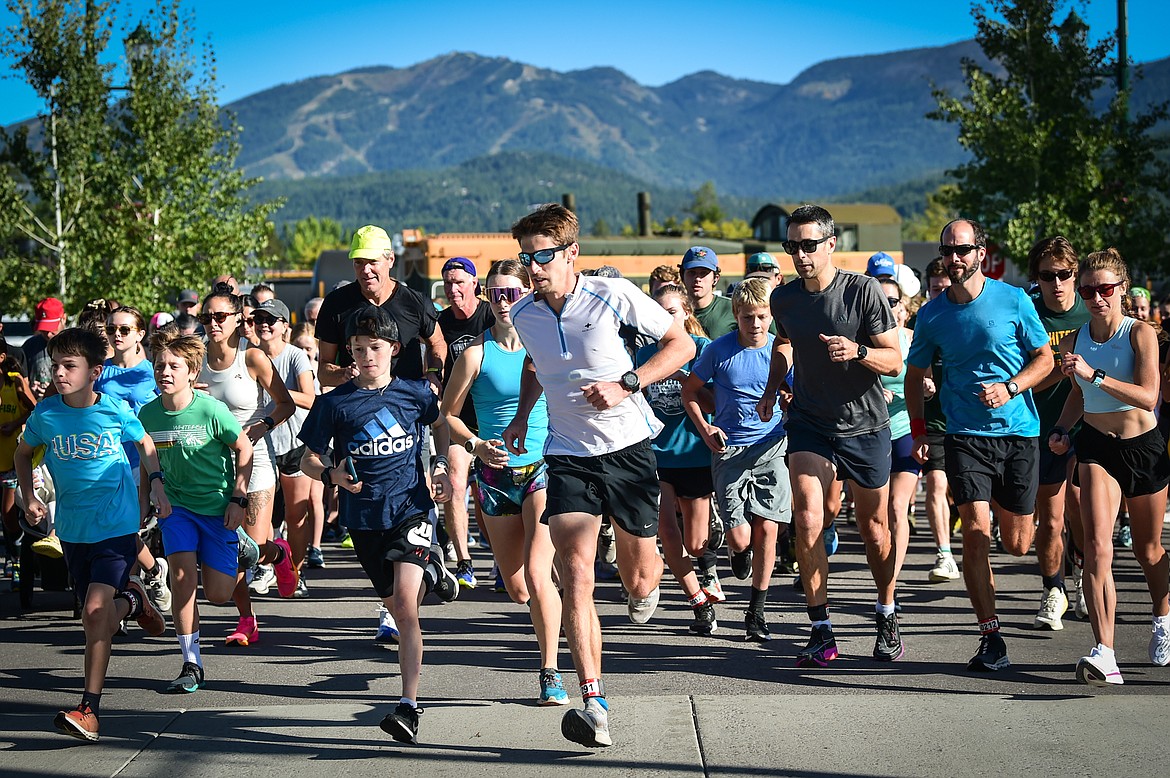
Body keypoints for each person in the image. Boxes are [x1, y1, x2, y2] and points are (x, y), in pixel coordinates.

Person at [503, 203, 694, 748]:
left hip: (629, 449)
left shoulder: (613, 295)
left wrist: (627, 383)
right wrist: (521, 416)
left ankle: (644, 585)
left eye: (542, 256)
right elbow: (535, 365)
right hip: (567, 455)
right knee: (576, 571)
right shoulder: (524, 315)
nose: (533, 267)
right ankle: (595, 702)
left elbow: (681, 344)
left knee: (639, 577)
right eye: (526, 257)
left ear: (570, 254)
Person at [299, 304, 457, 744]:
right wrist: (330, 474)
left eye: (375, 348)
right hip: (363, 519)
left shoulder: (414, 393)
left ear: (393, 349)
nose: (367, 356)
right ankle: (434, 570)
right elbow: (307, 459)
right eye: (358, 348)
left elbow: (440, 426)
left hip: (411, 509)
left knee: (404, 608)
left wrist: (441, 466)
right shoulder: (334, 403)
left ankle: (408, 705)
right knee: (393, 598)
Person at [906, 218, 1052, 672]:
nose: (955, 259)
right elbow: (915, 375)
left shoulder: (1012, 300)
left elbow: (1044, 358)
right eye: (948, 251)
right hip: (964, 435)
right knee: (974, 531)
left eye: (963, 250)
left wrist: (1011, 388)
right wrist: (917, 430)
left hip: (1019, 432)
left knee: (1017, 544)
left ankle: (1052, 559)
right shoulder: (931, 314)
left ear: (980, 253)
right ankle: (991, 637)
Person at [762, 204, 904, 667]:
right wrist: (771, 387)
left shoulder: (862, 291)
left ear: (830, 245)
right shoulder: (783, 299)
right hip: (810, 421)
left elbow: (893, 361)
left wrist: (857, 350)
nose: (800, 255)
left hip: (865, 424)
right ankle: (820, 627)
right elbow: (784, 341)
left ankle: (885, 609)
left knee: (875, 531)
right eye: (791, 246)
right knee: (807, 519)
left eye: (808, 245)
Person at [14, 327, 169, 742]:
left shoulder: (114, 410)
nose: (59, 373)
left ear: (94, 371)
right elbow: (22, 452)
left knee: (95, 613)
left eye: (70, 366)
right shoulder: (46, 415)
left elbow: (146, 444)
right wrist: (29, 496)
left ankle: (89, 708)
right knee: (97, 614)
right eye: (56, 365)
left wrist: (154, 484)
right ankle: (134, 600)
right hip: (72, 531)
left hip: (116, 527)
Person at [441, 258, 569, 704]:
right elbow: (448, 416)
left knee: (536, 576)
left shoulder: (547, 346)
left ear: (526, 294)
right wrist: (475, 445)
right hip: (494, 477)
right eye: (494, 294)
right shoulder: (474, 353)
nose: (502, 302)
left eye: (510, 293)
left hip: (543, 468)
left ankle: (550, 670)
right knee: (518, 589)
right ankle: (556, 596)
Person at [1048, 248, 1170, 685]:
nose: (1096, 298)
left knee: (1148, 550)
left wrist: (1094, 374)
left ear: (1120, 289)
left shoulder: (1140, 334)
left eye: (1105, 289)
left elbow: (1147, 396)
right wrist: (1062, 430)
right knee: (1098, 545)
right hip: (1097, 447)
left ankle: (1162, 615)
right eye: (1088, 290)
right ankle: (1105, 652)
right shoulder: (1077, 338)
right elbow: (1077, 396)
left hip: (1143, 447)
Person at [139, 327, 257, 694]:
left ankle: (246, 548)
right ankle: (192, 663)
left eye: (174, 366)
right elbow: (148, 460)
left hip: (219, 508)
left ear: (192, 372)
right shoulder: (148, 414)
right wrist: (148, 501)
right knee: (182, 581)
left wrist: (239, 499)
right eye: (160, 365)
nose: (165, 372)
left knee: (219, 594)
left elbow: (245, 449)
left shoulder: (210, 410)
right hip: (177, 510)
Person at [684, 278, 790, 641]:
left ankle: (756, 613)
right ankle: (737, 550)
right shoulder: (718, 350)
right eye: (748, 318)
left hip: (772, 447)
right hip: (729, 451)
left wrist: (791, 403)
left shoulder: (782, 349)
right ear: (736, 316)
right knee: (742, 537)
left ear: (771, 316)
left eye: (762, 317)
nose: (756, 325)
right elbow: (691, 391)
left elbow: (795, 389)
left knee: (768, 531)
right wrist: (705, 429)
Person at [197, 285, 296, 645]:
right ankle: (247, 619)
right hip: (211, 467)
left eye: (220, 316)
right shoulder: (196, 359)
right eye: (206, 317)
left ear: (239, 318)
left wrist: (258, 427)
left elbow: (284, 404)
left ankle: (279, 552)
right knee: (231, 547)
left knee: (252, 550)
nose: (212, 323)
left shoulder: (251, 358)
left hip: (255, 462)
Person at [641, 284, 719, 634]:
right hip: (656, 454)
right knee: (667, 532)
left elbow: (716, 404)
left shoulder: (702, 350)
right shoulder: (644, 354)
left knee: (695, 542)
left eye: (671, 311)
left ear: (686, 313)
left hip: (695, 453)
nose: (663, 318)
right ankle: (698, 602)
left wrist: (686, 379)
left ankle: (709, 554)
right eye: (658, 312)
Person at [1026, 237, 1090, 630]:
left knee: (1081, 509)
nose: (1057, 283)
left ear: (1075, 274)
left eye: (1064, 274)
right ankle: (1054, 589)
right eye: (1048, 276)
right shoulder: (1028, 314)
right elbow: (1017, 376)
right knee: (1049, 519)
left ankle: (1083, 574)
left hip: (1088, 426)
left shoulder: (1091, 311)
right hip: (1040, 427)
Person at [95, 306, 172, 613]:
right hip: (109, 463)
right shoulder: (100, 370)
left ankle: (144, 579)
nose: (117, 335)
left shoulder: (155, 370)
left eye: (125, 330)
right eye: (112, 330)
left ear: (140, 334)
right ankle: (147, 576)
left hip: (147, 460)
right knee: (119, 531)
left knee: (127, 530)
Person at [316, 225, 447, 390]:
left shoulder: (415, 302)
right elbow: (323, 371)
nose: (366, 270)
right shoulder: (335, 304)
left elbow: (438, 343)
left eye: (372, 262)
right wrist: (343, 374)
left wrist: (434, 372)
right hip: (357, 406)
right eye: (359, 262)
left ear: (390, 259)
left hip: (407, 405)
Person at [436, 257, 495, 588]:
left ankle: (503, 560)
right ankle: (464, 561)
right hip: (459, 419)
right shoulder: (441, 323)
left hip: (494, 417)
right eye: (447, 283)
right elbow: (432, 361)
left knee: (495, 489)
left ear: (475, 283)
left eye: (459, 282)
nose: (453, 289)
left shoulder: (491, 316)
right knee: (456, 484)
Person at [253, 299, 316, 594]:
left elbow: (310, 399)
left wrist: (275, 389)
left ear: (284, 327)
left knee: (296, 515)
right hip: (260, 445)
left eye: (271, 319)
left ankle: (295, 571)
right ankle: (266, 566)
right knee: (263, 515)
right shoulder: (247, 356)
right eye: (258, 319)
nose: (264, 324)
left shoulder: (294, 357)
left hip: (293, 443)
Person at [916, 258, 960, 582]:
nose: (940, 294)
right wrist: (924, 386)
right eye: (935, 289)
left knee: (961, 492)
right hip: (934, 423)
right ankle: (944, 554)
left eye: (946, 288)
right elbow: (913, 371)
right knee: (935, 484)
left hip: (967, 422)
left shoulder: (966, 318)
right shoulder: (925, 321)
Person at [877, 278, 918, 595]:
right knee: (876, 517)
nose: (887, 306)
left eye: (892, 301)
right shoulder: (862, 340)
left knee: (897, 507)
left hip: (904, 430)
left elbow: (925, 379)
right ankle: (882, 575)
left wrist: (925, 388)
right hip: (870, 433)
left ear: (902, 306)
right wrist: (875, 392)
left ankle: (891, 581)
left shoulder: (914, 340)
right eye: (881, 300)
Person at [681, 246, 736, 339]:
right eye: (692, 272)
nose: (697, 279)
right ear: (682, 276)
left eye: (703, 273)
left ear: (715, 278)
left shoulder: (731, 309)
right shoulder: (674, 310)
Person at [23, 297, 65, 401]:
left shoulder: (76, 345)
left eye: (52, 328)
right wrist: (29, 390)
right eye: (44, 329)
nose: (48, 334)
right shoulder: (29, 345)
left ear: (63, 318)